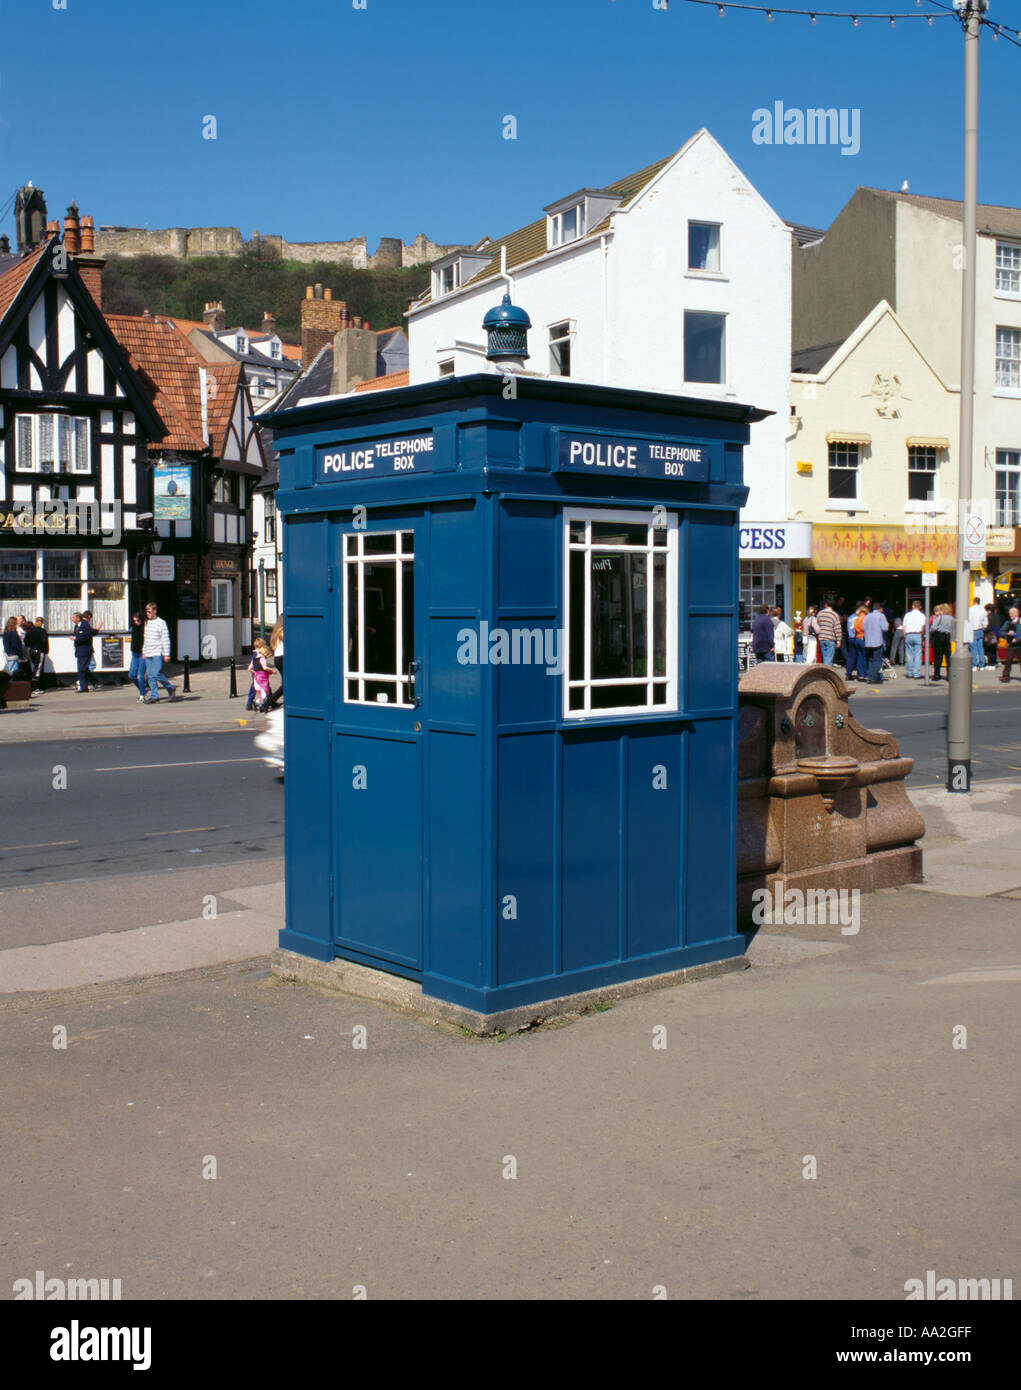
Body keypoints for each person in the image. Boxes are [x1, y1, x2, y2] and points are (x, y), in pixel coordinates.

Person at [141, 601, 176, 704]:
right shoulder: (147, 623)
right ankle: (154, 697)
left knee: (156, 673)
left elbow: (165, 639)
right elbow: (145, 638)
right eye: (146, 612)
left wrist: (166, 654)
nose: (147, 614)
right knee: (150, 676)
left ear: (155, 611)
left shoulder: (161, 623)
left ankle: (170, 687)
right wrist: (144, 651)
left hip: (157, 652)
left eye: (149, 612)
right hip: (148, 653)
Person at [863, 604, 889, 685]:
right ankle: (874, 678)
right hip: (877, 641)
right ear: (880, 609)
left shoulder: (867, 616)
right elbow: (885, 628)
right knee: (877, 660)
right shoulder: (881, 616)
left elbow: (863, 627)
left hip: (868, 641)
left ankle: (870, 676)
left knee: (871, 660)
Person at [248, 639, 274, 712]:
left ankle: (252, 703)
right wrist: (272, 670)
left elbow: (249, 667)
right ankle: (267, 703)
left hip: (256, 674)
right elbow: (264, 667)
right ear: (261, 646)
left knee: (259, 689)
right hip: (261, 676)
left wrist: (254, 671)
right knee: (265, 689)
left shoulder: (254, 655)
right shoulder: (260, 655)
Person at [71, 611, 94, 693]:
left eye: (73, 617)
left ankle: (85, 686)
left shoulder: (85, 625)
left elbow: (87, 637)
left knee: (82, 669)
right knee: (82, 669)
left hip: (85, 650)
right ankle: (90, 683)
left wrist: (76, 638)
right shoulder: (76, 626)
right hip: (79, 650)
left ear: (78, 618)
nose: (72, 619)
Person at [902, 600, 926, 678]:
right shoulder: (922, 615)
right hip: (918, 634)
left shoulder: (907, 615)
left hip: (909, 634)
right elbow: (923, 627)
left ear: (912, 606)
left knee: (909, 655)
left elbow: (904, 626)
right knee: (917, 655)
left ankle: (910, 673)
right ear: (920, 607)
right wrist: (922, 634)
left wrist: (905, 635)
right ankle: (916, 673)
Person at [930, 603, 953, 681]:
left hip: (938, 636)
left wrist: (931, 632)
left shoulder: (939, 617)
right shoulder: (951, 618)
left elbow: (933, 627)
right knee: (948, 657)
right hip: (947, 636)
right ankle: (949, 675)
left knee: (937, 656)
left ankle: (937, 675)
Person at [128, 612, 147, 701]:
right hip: (135, 653)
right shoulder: (133, 627)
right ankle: (142, 689)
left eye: (138, 620)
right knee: (131, 675)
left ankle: (142, 695)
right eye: (134, 620)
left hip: (143, 654)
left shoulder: (146, 628)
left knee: (140, 675)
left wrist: (146, 651)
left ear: (142, 620)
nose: (136, 622)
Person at [998, 606, 1021, 683]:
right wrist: (1007, 633)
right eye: (1009, 613)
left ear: (1017, 614)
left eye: (1012, 613)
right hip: (1011, 645)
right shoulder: (1008, 622)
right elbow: (1001, 631)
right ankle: (1005, 677)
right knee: (1008, 662)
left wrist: (1017, 639)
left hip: (1019, 645)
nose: (1010, 615)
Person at [815, 600, 841, 666]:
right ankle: (826, 673)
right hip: (830, 638)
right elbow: (837, 628)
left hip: (821, 638)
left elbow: (816, 625)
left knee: (824, 657)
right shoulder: (834, 615)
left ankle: (824, 671)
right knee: (829, 659)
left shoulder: (820, 613)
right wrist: (838, 640)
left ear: (826, 605)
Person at [266, 616, 284, 710]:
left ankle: (270, 702)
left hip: (277, 658)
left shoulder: (275, 632)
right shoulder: (282, 631)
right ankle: (268, 703)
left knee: (285, 683)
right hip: (282, 658)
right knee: (286, 685)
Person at [968, 597, 988, 670]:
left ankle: (974, 664)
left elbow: (969, 620)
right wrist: (983, 627)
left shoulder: (970, 610)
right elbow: (986, 623)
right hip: (980, 629)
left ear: (973, 601)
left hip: (972, 630)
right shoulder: (983, 610)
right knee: (980, 647)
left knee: (973, 648)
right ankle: (982, 664)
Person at [983, 603, 1000, 672]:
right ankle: (993, 663)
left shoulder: (988, 616)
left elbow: (989, 626)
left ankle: (991, 664)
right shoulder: (997, 616)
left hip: (990, 634)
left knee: (989, 649)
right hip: (996, 634)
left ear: (988, 610)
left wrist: (984, 630)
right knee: (994, 649)